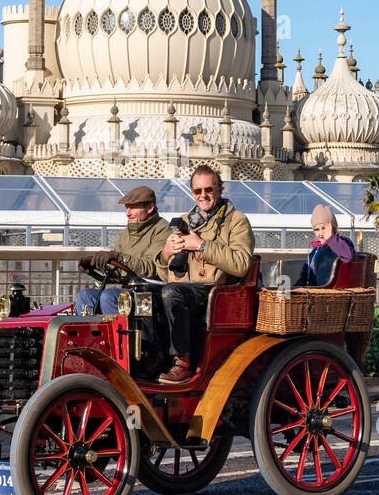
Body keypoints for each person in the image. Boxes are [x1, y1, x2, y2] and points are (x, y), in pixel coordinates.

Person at [152, 165, 255, 384]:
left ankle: (183, 363)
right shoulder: (184, 221)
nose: (203, 196)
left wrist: (201, 245)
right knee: (141, 295)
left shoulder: (236, 220)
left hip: (216, 293)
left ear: (220, 189)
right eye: (198, 191)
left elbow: (241, 264)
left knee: (172, 293)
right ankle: (152, 357)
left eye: (209, 189)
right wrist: (165, 254)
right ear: (191, 192)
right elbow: (165, 274)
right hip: (183, 288)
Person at [74, 185, 169, 316]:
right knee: (84, 296)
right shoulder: (127, 234)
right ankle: (92, 335)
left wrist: (119, 257)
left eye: (133, 207)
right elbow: (117, 270)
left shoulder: (162, 230)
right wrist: (94, 267)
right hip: (128, 291)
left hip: (150, 294)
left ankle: (121, 336)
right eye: (126, 207)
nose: (127, 212)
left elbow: (151, 268)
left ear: (150, 208)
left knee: (109, 297)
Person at [296, 204, 356, 287]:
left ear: (333, 228)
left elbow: (349, 256)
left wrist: (331, 238)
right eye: (317, 229)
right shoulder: (314, 252)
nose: (321, 233)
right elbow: (304, 277)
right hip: (313, 293)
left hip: (331, 292)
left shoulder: (341, 243)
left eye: (324, 228)